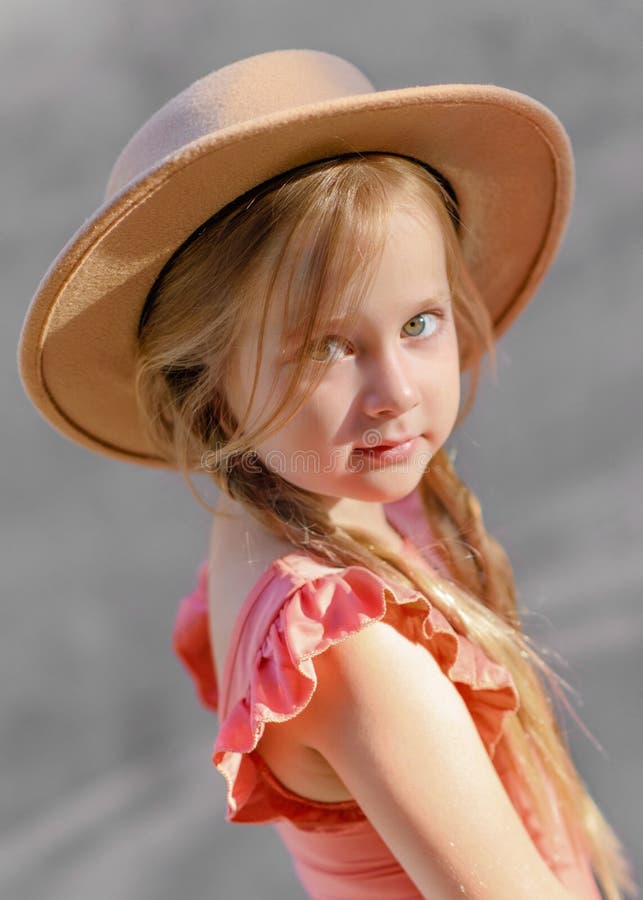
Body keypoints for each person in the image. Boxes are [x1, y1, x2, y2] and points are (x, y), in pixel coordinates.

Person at [17, 49, 638, 900]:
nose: (395, 395)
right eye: (327, 348)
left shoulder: (284, 506)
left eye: (419, 323)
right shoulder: (346, 646)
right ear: (207, 382)